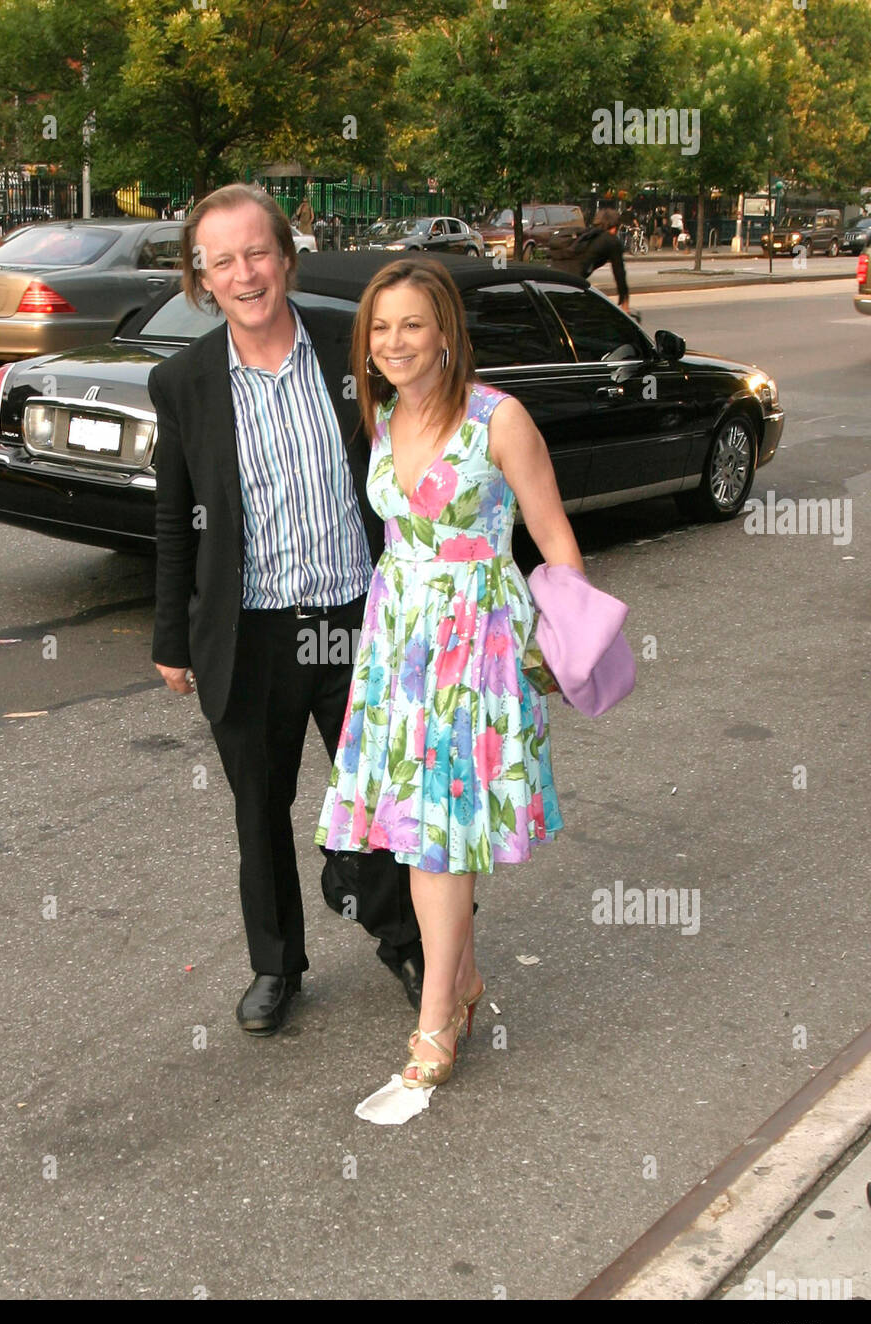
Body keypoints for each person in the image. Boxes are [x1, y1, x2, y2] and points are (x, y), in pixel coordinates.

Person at [148, 185, 424, 1037]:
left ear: (286, 257)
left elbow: (426, 452)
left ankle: (408, 940)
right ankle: (278, 964)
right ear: (202, 278)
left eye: (256, 253)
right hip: (252, 630)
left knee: (383, 797)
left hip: (356, 620)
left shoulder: (355, 349)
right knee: (259, 811)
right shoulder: (184, 381)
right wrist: (170, 636)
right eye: (221, 260)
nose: (244, 273)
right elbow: (173, 514)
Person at [315, 258, 585, 1088]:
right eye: (381, 327)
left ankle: (437, 1019)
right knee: (415, 826)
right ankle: (461, 983)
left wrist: (567, 649)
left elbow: (557, 540)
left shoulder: (498, 419)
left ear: (445, 333)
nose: (395, 342)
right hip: (398, 644)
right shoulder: (382, 412)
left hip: (479, 648)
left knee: (439, 834)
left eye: (412, 325)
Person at [557, 207, 630, 315]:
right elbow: (619, 274)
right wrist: (625, 304)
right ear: (615, 227)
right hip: (571, 285)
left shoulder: (588, 235)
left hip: (554, 279)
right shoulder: (611, 240)